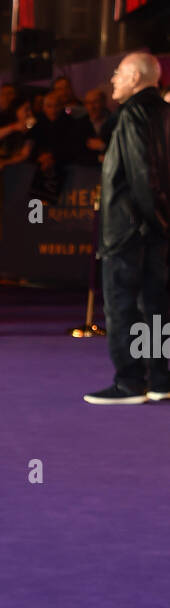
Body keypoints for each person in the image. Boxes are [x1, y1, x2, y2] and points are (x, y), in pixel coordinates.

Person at [84, 52, 170, 404]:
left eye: (118, 73)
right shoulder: (164, 112)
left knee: (121, 306)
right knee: (155, 306)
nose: (113, 80)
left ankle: (130, 381)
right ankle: (162, 378)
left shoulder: (133, 113)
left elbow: (141, 176)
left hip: (130, 230)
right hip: (155, 230)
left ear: (135, 77)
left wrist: (156, 221)